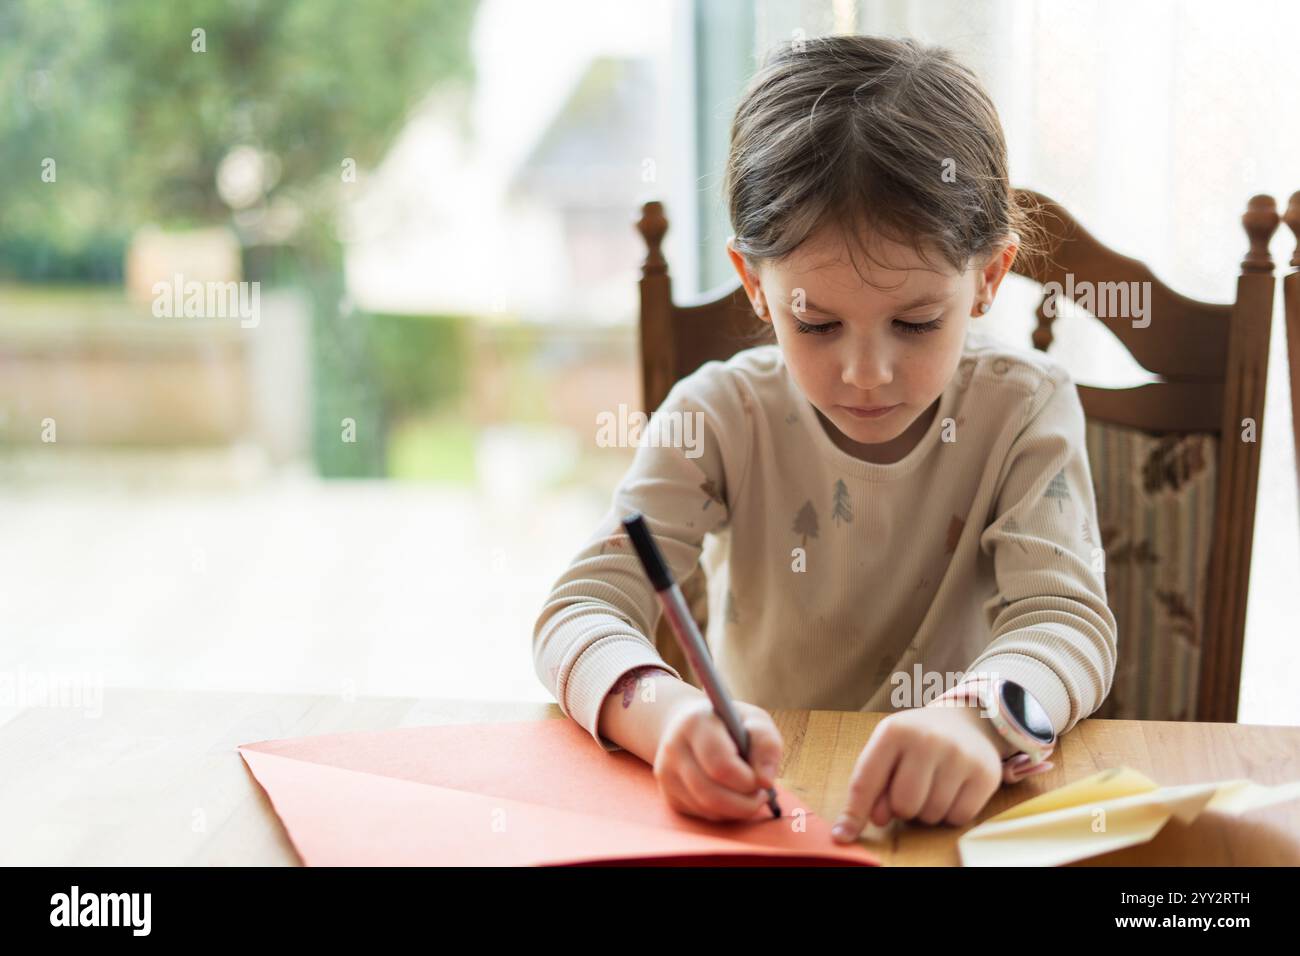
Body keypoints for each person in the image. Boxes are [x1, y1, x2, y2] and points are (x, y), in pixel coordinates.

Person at [533, 35, 1116, 840]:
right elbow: (580, 611)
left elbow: (1068, 622)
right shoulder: (717, 415)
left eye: (916, 322)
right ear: (756, 286)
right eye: (817, 322)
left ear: (987, 278)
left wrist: (982, 720)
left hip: (954, 825)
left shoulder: (1024, 408)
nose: (867, 373)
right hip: (763, 815)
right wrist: (669, 718)